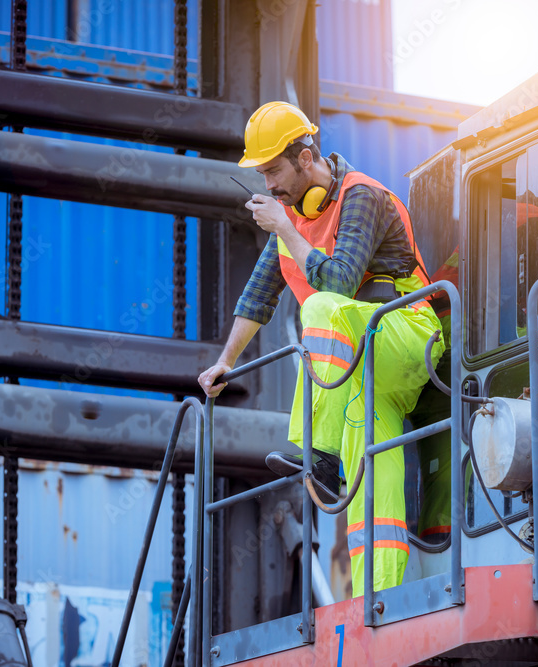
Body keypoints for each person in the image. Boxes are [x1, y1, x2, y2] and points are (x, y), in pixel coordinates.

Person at [197, 101, 445, 596]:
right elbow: (257, 298)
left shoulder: (362, 197)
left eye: (273, 170)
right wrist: (225, 362)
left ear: (306, 157)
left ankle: (321, 455)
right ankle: (379, 596)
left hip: (408, 335)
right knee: (373, 460)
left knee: (318, 308)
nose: (269, 186)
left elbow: (340, 280)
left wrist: (286, 230)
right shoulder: (291, 217)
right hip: (367, 367)